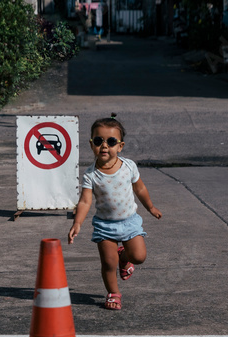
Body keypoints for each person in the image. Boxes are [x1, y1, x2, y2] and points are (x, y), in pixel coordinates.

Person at [67, 116, 162, 310]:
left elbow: (140, 189)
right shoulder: (90, 174)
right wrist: (77, 223)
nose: (104, 146)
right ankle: (113, 293)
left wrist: (150, 207)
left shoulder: (128, 167)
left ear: (120, 146)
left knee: (139, 256)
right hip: (105, 225)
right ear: (91, 144)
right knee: (109, 263)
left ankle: (124, 257)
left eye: (110, 142)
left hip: (129, 222)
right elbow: (86, 201)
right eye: (98, 141)